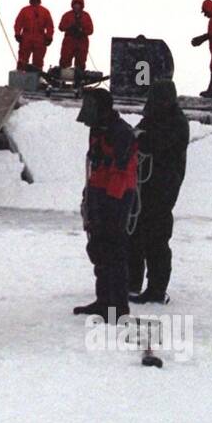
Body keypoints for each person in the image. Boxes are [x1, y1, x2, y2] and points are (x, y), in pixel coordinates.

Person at [73, 89, 138, 322]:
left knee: (115, 250)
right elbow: (95, 164)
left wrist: (110, 201)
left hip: (117, 197)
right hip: (99, 193)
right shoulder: (98, 128)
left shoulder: (121, 133)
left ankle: (118, 307)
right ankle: (104, 301)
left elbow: (122, 170)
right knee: (99, 247)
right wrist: (89, 196)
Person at [128, 80, 189, 304]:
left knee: (156, 238)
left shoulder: (176, 122)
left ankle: (156, 289)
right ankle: (132, 282)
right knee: (135, 234)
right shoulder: (158, 116)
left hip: (163, 188)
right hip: (146, 186)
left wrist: (138, 137)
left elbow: (152, 141)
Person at [57, 0, 94, 89]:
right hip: (69, 41)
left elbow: (90, 30)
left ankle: (78, 82)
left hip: (82, 42)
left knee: (80, 62)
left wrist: (81, 30)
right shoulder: (67, 15)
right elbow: (61, 27)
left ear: (82, 5)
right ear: (72, 5)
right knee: (65, 60)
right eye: (75, 4)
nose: (77, 6)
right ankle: (63, 81)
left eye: (78, 4)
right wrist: (70, 27)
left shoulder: (86, 16)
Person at [13, 0, 54, 72]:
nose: (35, 1)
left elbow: (50, 26)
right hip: (26, 37)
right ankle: (20, 80)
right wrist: (17, 34)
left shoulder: (45, 11)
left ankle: (36, 80)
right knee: (22, 60)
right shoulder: (25, 10)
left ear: (39, 0)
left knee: (38, 61)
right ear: (31, 0)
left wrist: (49, 37)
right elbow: (18, 23)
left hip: (39, 38)